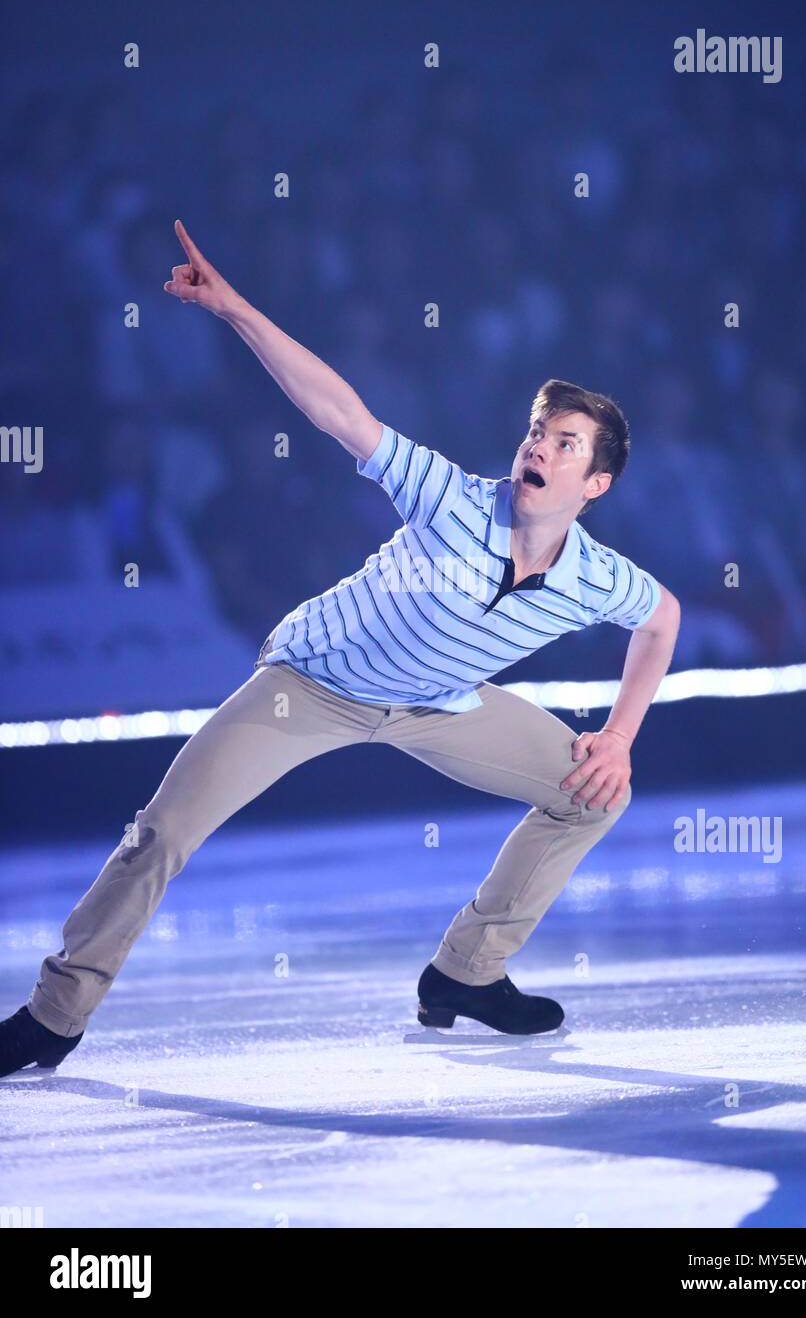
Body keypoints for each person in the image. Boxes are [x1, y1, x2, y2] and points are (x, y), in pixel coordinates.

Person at [0, 220, 681, 1076]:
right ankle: (56, 1015)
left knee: (593, 794)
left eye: (565, 444)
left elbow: (663, 620)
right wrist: (236, 308)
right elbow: (339, 411)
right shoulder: (451, 500)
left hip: (440, 705)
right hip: (311, 685)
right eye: (536, 434)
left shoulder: (595, 575)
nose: (538, 447)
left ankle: (465, 973)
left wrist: (617, 736)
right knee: (161, 833)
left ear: (597, 483)